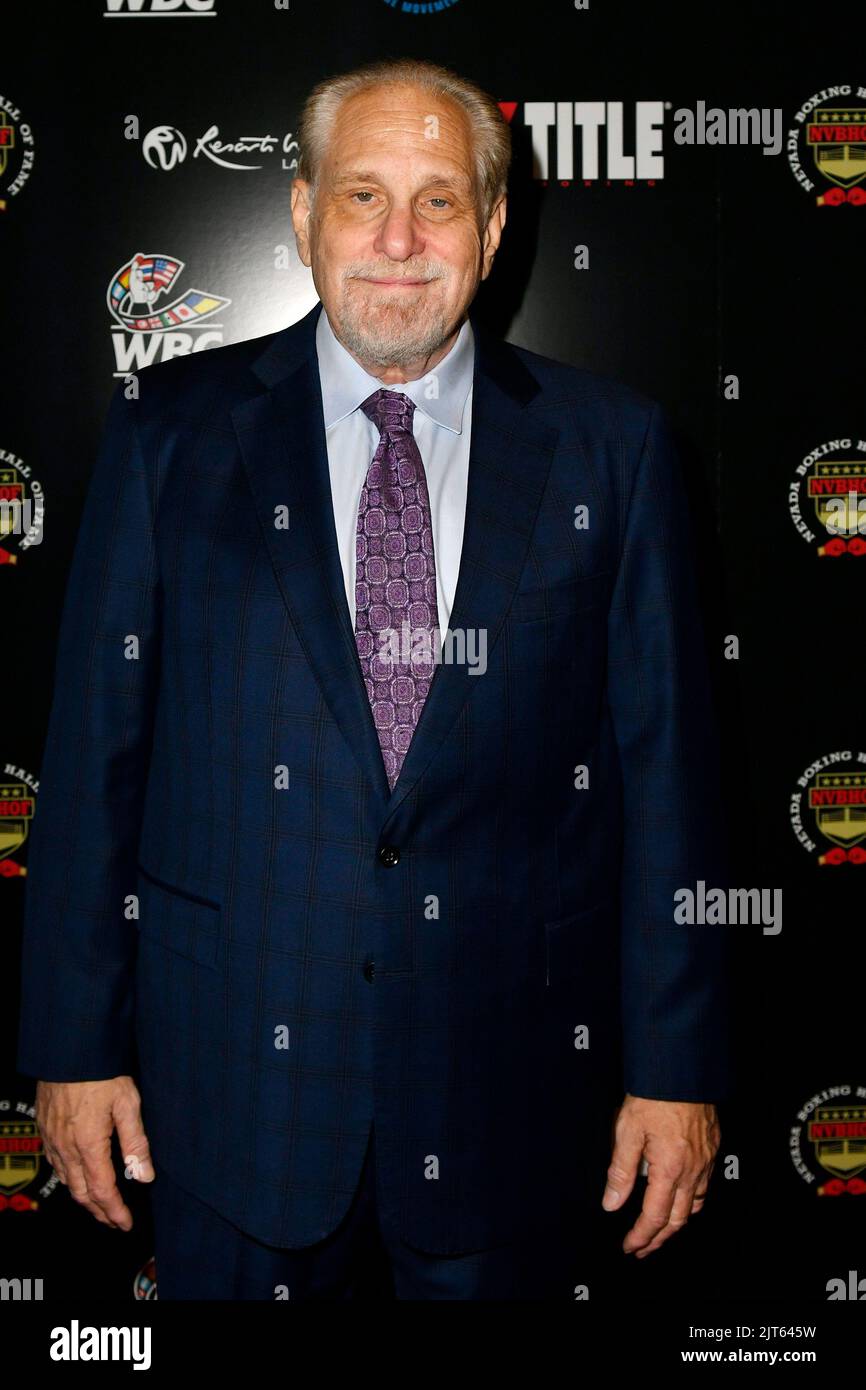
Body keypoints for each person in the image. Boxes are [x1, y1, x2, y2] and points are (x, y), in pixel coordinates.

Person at [17, 56, 732, 1300]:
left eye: (440, 201)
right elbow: (92, 768)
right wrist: (73, 1045)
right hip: (228, 1099)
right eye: (361, 196)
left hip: (511, 1104)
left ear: (495, 228)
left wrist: (673, 1067)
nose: (398, 239)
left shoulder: (612, 449)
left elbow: (667, 777)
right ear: (300, 214)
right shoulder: (165, 437)